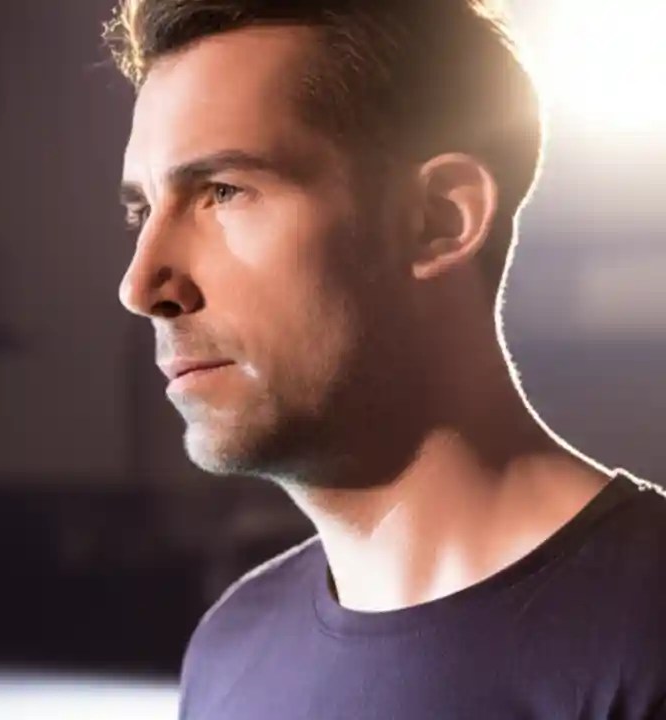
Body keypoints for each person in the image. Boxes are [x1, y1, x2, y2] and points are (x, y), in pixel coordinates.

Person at [104, 0, 666, 717]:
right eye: (139, 211)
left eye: (223, 192)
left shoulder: (647, 636)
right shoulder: (231, 651)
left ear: (437, 221)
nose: (141, 284)